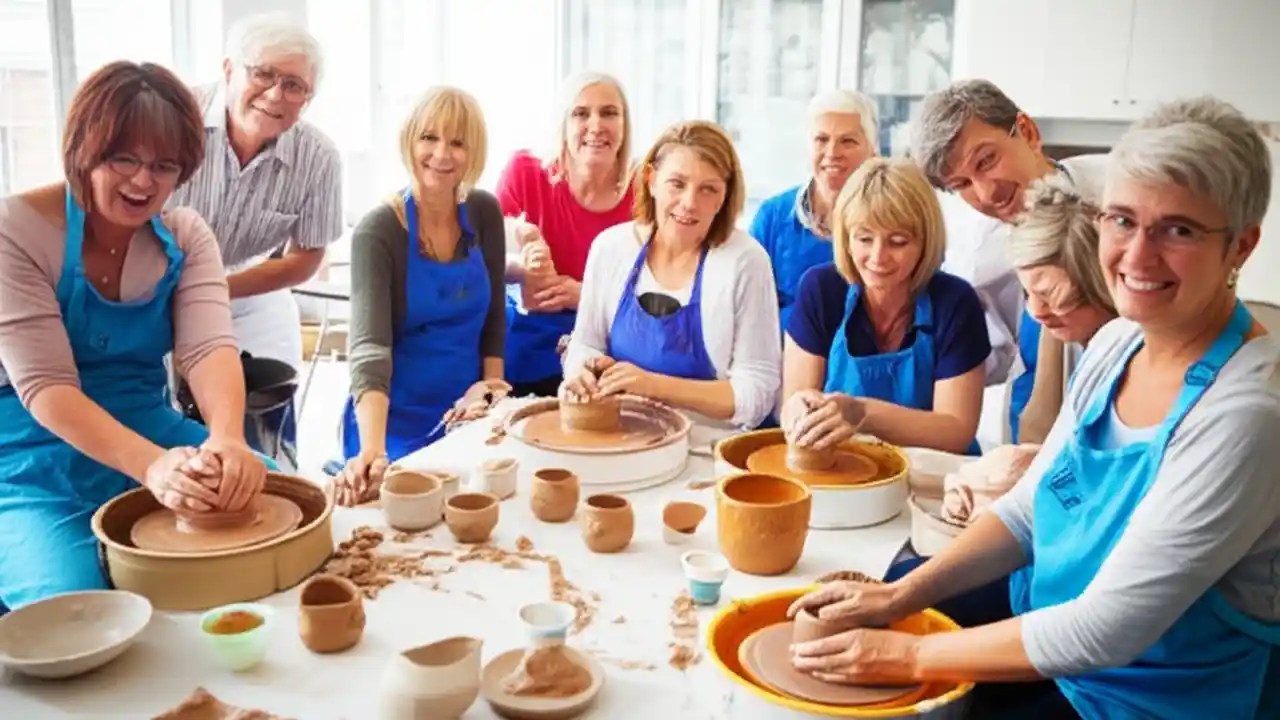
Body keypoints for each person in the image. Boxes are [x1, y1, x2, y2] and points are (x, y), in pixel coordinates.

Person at [788, 97, 1280, 720]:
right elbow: (1027, 512)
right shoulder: (1117, 342)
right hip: (1055, 626)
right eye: (1122, 220)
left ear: (1241, 246)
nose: (1136, 256)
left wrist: (906, 655)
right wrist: (896, 596)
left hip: (1145, 694)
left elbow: (1108, 628)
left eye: (1178, 229)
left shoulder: (1246, 414)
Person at [0, 62, 267, 610]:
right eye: (124, 158)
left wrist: (225, 439)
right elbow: (47, 386)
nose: (144, 182)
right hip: (31, 455)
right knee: (75, 609)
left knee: (280, 516)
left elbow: (207, 347)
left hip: (149, 424)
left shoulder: (186, 235)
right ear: (83, 150)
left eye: (164, 166)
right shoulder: (17, 230)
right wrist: (150, 466)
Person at [334, 87, 507, 507]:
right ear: (409, 140)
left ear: (475, 152)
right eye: (429, 138)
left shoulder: (484, 212)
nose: (441, 154)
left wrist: (490, 389)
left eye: (457, 142)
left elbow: (495, 314)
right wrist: (372, 451)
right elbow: (369, 348)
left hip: (467, 412)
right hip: (394, 418)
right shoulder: (379, 230)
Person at [561, 120, 780, 445]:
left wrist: (652, 385)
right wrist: (581, 371)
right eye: (677, 184)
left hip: (706, 451)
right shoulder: (610, 249)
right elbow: (586, 343)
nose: (690, 203)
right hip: (618, 440)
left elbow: (755, 393)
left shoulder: (745, 262)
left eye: (709, 189)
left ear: (723, 198)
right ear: (651, 180)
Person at [912, 79, 1107, 441]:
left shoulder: (1119, 190)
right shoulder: (974, 256)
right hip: (1036, 424)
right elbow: (986, 359)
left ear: (1028, 132)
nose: (987, 192)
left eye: (987, 160)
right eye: (962, 185)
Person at [168, 12, 343, 374]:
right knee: (161, 413)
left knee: (265, 411)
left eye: (294, 85)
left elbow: (305, 257)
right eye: (262, 73)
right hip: (154, 284)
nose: (276, 93)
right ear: (229, 70)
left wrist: (216, 288)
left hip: (248, 290)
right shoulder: (170, 118)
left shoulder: (319, 157)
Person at [780, 158, 990, 456]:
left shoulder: (955, 302)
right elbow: (793, 402)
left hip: (935, 475)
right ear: (846, 239)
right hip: (843, 466)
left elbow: (956, 431)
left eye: (898, 242)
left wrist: (862, 413)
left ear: (925, 242)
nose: (878, 257)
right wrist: (799, 411)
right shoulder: (821, 290)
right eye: (865, 239)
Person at [497, 72, 636, 398]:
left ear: (624, 125)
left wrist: (586, 296)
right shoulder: (524, 172)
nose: (596, 125)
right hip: (528, 337)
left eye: (609, 113)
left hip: (609, 338)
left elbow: (659, 291)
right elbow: (481, 256)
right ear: (563, 124)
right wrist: (522, 270)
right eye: (581, 113)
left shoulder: (645, 190)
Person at [749, 89, 878, 333]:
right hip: (780, 363)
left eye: (847, 141)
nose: (832, 153)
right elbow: (746, 306)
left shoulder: (893, 217)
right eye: (821, 139)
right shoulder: (772, 216)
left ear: (872, 150)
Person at [1006, 174, 1116, 444]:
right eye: (1028, 294)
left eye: (1048, 293)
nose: (1037, 311)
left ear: (1094, 276)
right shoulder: (1058, 327)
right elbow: (1036, 427)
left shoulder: (1134, 342)